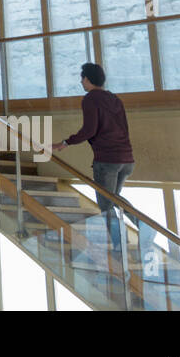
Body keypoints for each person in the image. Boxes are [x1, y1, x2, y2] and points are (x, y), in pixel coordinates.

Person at [50, 63, 134, 253]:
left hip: (107, 160)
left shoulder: (90, 99)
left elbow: (89, 130)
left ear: (87, 79)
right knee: (114, 199)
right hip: (126, 159)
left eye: (82, 78)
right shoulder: (115, 99)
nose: (81, 82)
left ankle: (119, 246)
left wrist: (65, 143)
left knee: (106, 205)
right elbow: (124, 128)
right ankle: (142, 224)